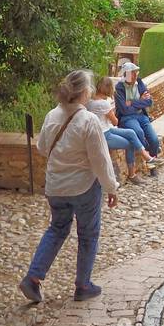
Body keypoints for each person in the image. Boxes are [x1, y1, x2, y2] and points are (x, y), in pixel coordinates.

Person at [19, 69, 119, 305]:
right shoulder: (89, 121)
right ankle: (83, 285)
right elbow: (100, 160)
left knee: (57, 229)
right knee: (88, 234)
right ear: (84, 92)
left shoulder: (52, 115)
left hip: (56, 186)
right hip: (84, 187)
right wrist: (111, 187)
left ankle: (33, 278)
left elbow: (43, 147)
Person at [87, 75, 154, 184]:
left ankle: (147, 156)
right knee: (130, 144)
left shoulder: (90, 101)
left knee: (131, 132)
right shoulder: (103, 104)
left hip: (106, 129)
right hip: (104, 135)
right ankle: (132, 174)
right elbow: (115, 122)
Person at [114, 61, 161, 162]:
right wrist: (140, 100)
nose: (135, 75)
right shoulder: (119, 88)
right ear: (125, 75)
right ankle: (149, 153)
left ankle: (152, 161)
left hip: (141, 115)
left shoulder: (139, 82)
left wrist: (131, 103)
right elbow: (124, 110)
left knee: (154, 140)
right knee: (138, 132)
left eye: (136, 72)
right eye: (132, 73)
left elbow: (149, 102)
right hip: (126, 118)